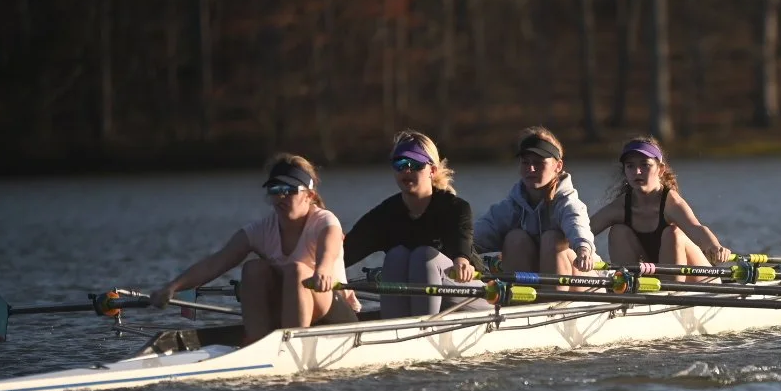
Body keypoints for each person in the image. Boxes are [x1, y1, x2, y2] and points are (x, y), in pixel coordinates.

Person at [150, 154, 356, 343]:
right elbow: (215, 262)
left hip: (334, 316)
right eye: (275, 190)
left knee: (297, 270)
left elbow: (329, 249)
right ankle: (257, 345)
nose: (281, 197)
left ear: (309, 196)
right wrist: (172, 287)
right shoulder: (261, 230)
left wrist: (322, 270)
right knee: (252, 269)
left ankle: (291, 348)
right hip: (288, 314)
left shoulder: (325, 221)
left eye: (290, 190)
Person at [344, 130, 477, 317]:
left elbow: (461, 242)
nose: (406, 170)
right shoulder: (386, 213)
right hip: (424, 297)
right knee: (396, 256)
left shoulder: (455, 208)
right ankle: (395, 331)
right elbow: (346, 252)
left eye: (414, 164)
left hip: (468, 293)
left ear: (432, 170)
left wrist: (462, 261)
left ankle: (422, 331)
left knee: (423, 256)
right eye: (399, 164)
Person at [590, 136, 732, 269]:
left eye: (645, 165)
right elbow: (581, 232)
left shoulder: (671, 203)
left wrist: (714, 246)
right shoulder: (619, 207)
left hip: (696, 278)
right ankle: (630, 286)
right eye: (630, 166)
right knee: (618, 232)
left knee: (673, 233)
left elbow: (696, 228)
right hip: (656, 276)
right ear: (625, 171)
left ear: (660, 170)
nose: (637, 172)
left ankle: (672, 290)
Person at [472, 127, 597, 277]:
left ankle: (553, 297)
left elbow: (576, 223)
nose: (531, 169)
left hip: (579, 278)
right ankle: (520, 298)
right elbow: (478, 235)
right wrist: (457, 251)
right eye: (525, 162)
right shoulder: (512, 206)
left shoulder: (566, 201)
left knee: (551, 239)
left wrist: (583, 248)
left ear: (558, 166)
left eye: (538, 163)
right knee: (515, 238)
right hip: (533, 284)